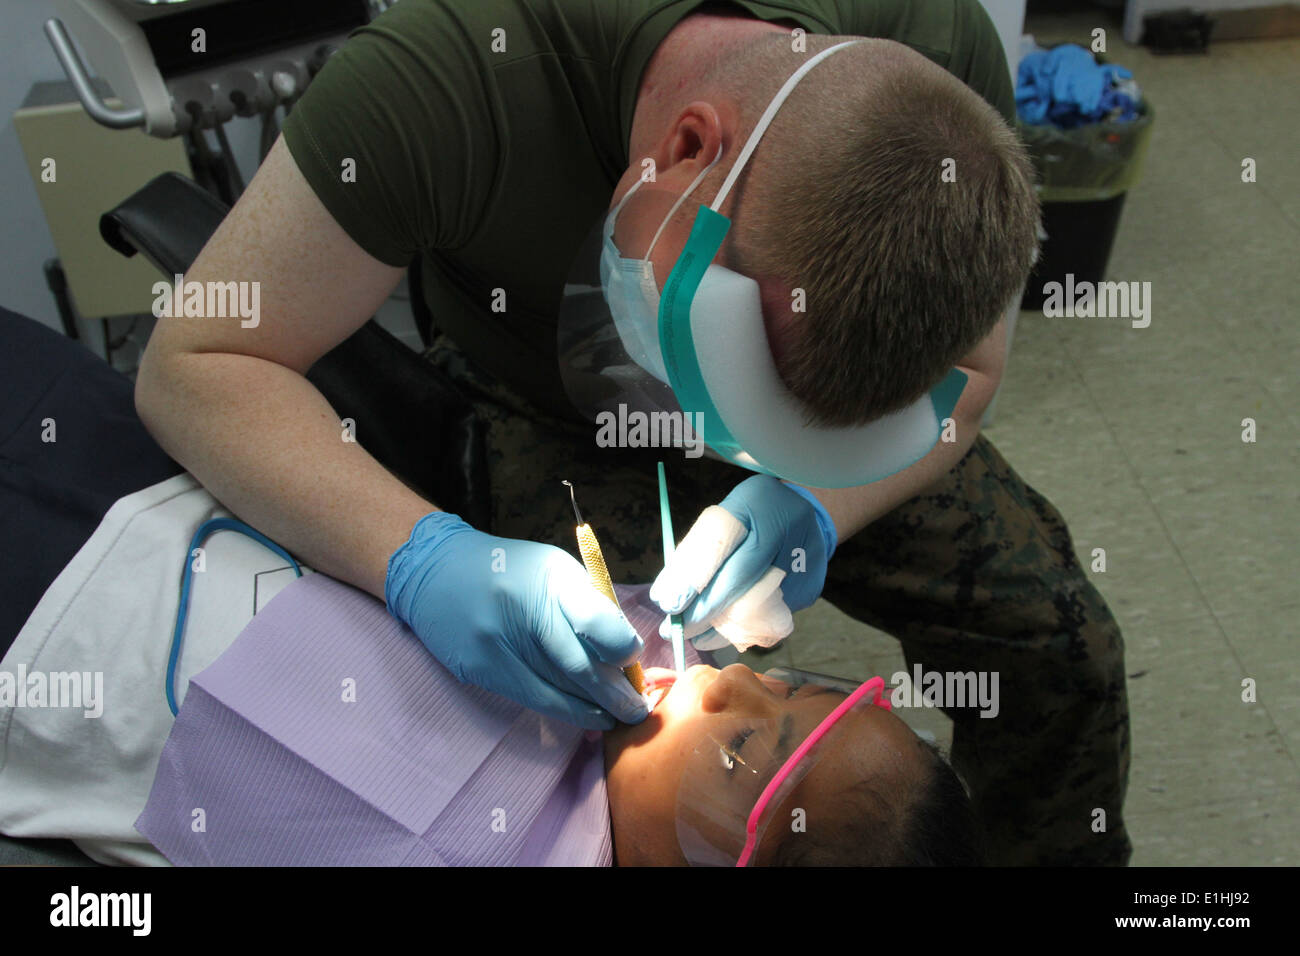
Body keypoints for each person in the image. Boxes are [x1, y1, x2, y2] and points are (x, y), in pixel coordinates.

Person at [133, 0, 1130, 865]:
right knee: (573, 722)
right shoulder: (445, 81)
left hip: (845, 437)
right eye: (741, 376)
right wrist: (421, 556)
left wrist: (819, 501)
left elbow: (970, 379)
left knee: (1056, 641)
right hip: (548, 407)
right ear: (687, 151)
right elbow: (199, 365)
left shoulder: (936, 59)